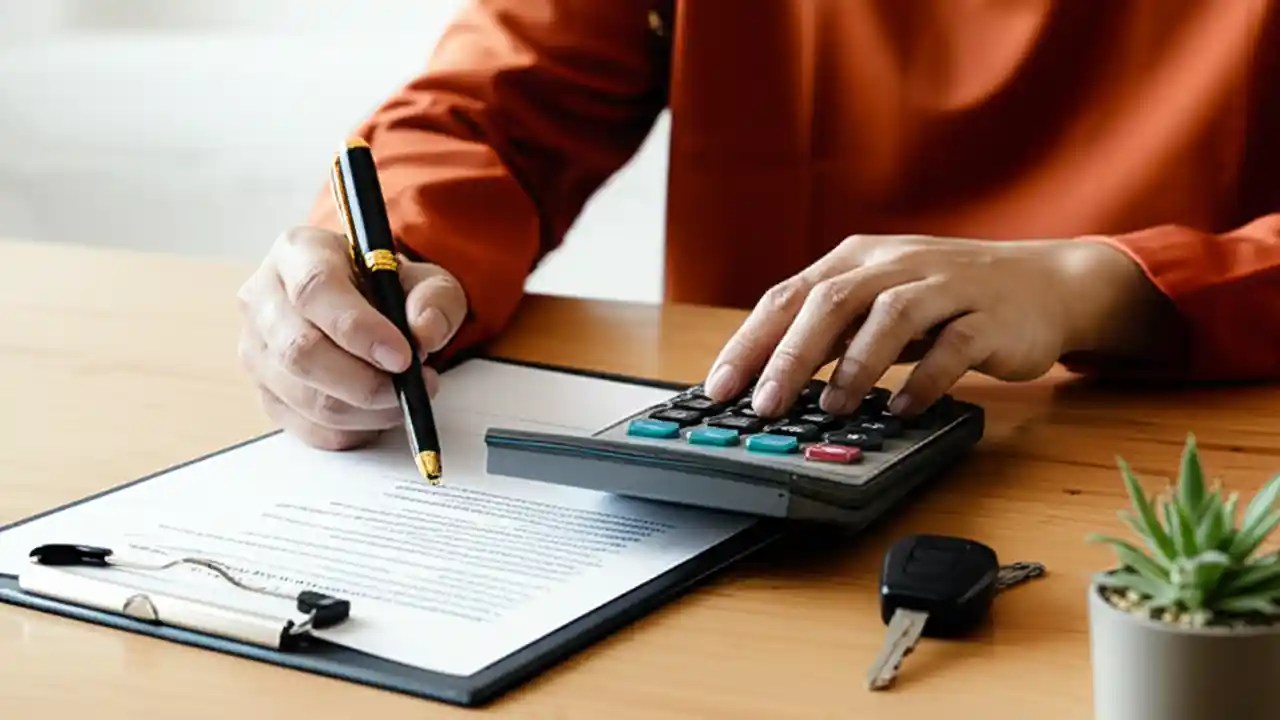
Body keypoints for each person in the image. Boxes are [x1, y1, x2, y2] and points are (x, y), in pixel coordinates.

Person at [237, 1, 1280, 451]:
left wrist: (1107, 284)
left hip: (1172, 475)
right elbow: (492, 111)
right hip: (752, 460)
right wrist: (388, 265)